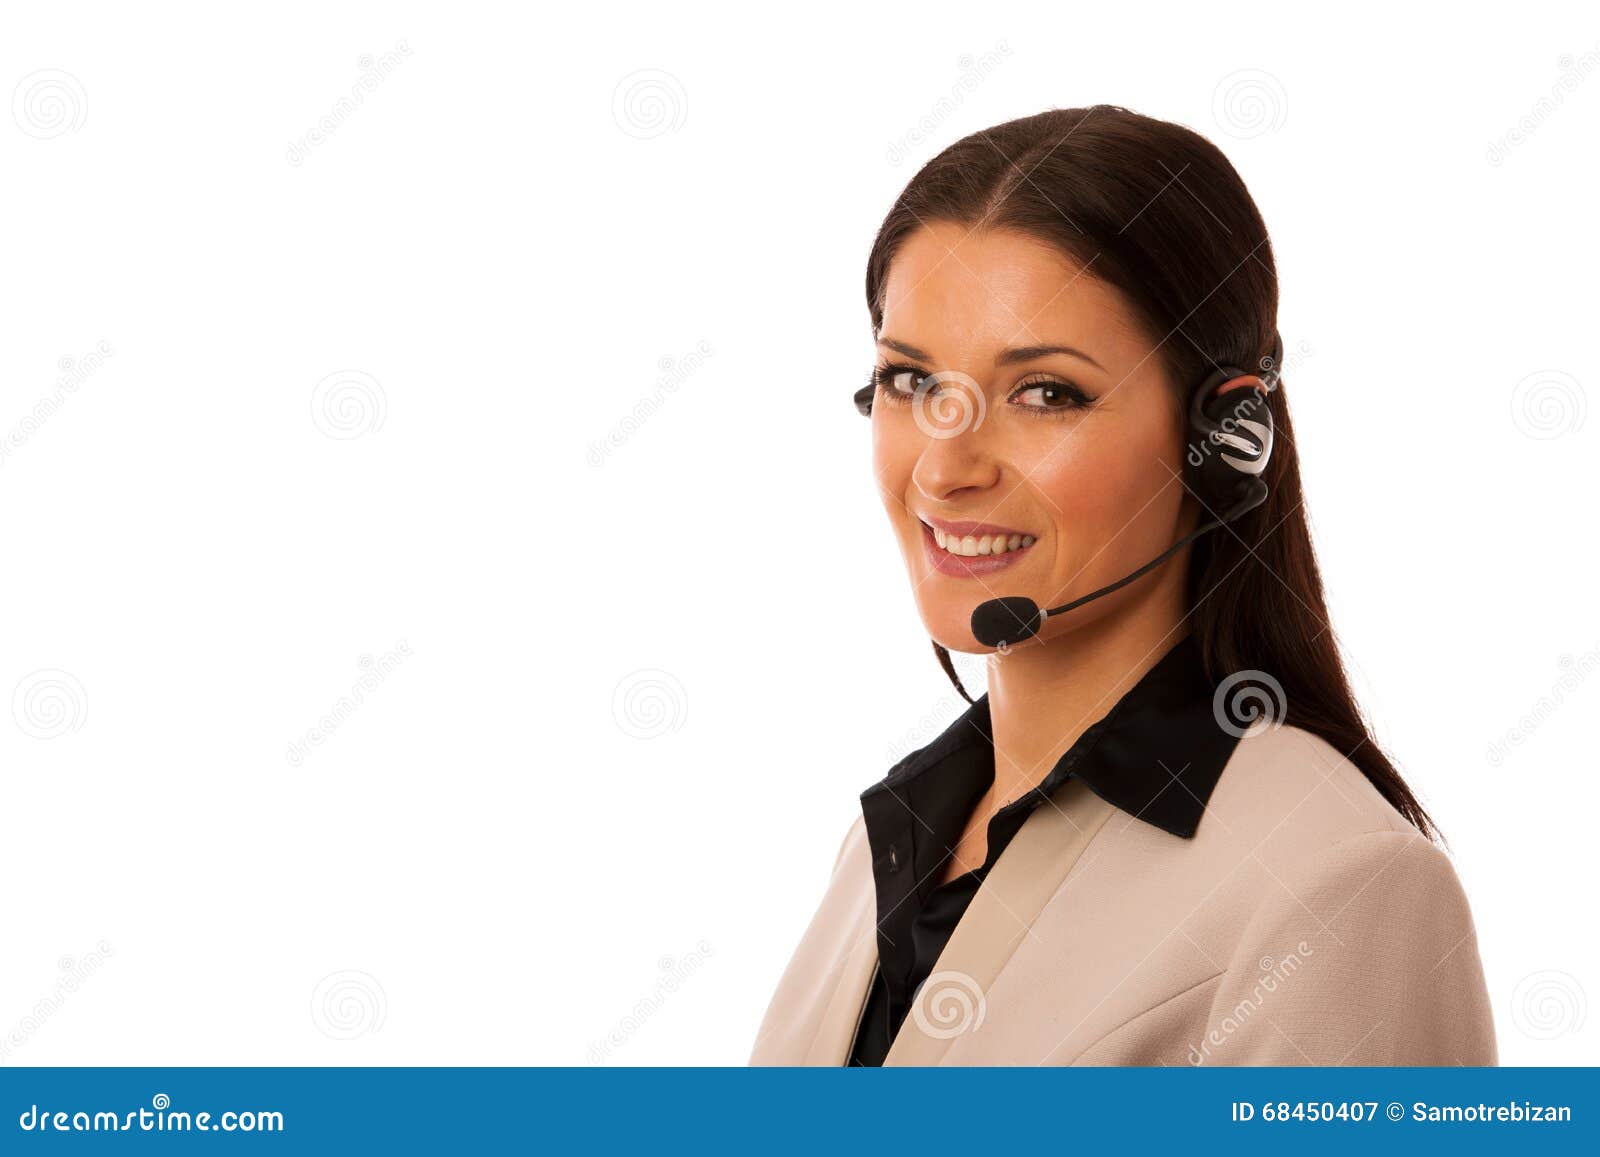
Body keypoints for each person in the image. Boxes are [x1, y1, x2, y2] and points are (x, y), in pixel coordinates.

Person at [748, 105, 1496, 1067]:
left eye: (1045, 393)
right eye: (909, 381)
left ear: (1227, 443)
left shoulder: (1335, 888)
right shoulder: (885, 844)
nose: (943, 469)